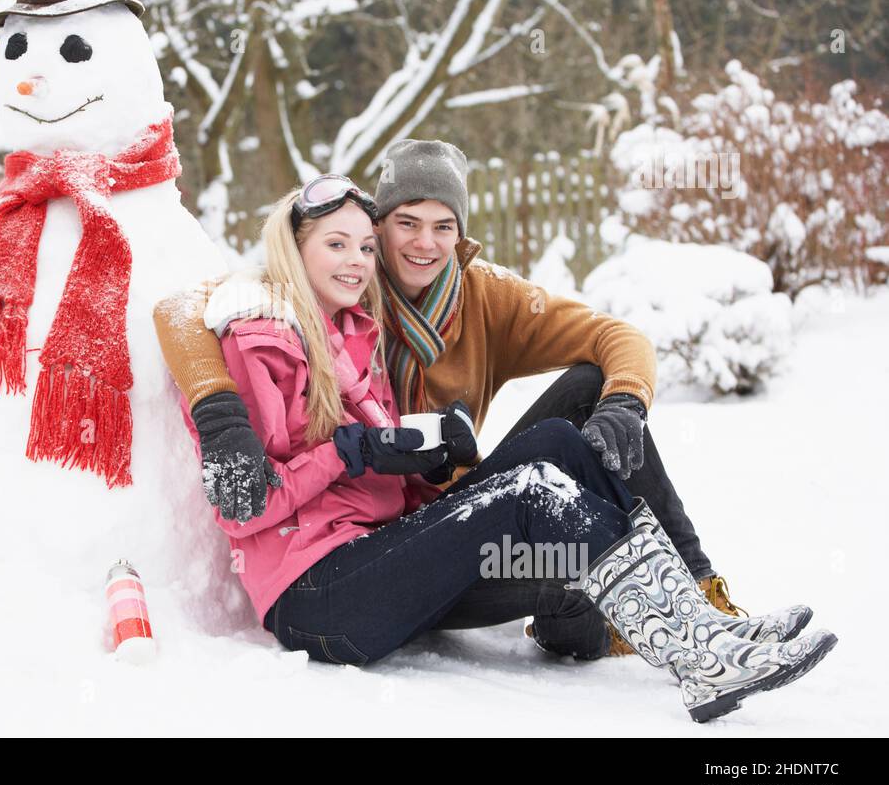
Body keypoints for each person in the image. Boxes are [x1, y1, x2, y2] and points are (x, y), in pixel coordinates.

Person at [175, 178, 836, 722]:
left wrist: (423, 460)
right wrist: (352, 451)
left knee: (556, 441)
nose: (357, 261)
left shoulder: (353, 332)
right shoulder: (256, 340)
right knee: (531, 490)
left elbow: (375, 479)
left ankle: (699, 620)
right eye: (336, 244)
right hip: (315, 597)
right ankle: (695, 652)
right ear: (295, 249)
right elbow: (245, 509)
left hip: (382, 561)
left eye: (367, 246)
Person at [157, 140, 745, 655]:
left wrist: (626, 404)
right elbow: (183, 308)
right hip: (372, 541)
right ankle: (658, 626)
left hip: (430, 504)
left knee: (583, 407)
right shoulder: (338, 293)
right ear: (380, 223)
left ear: (461, 234)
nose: (424, 243)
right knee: (545, 519)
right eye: (406, 223)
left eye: (444, 227)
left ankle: (697, 597)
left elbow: (617, 337)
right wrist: (218, 412)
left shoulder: (480, 298)